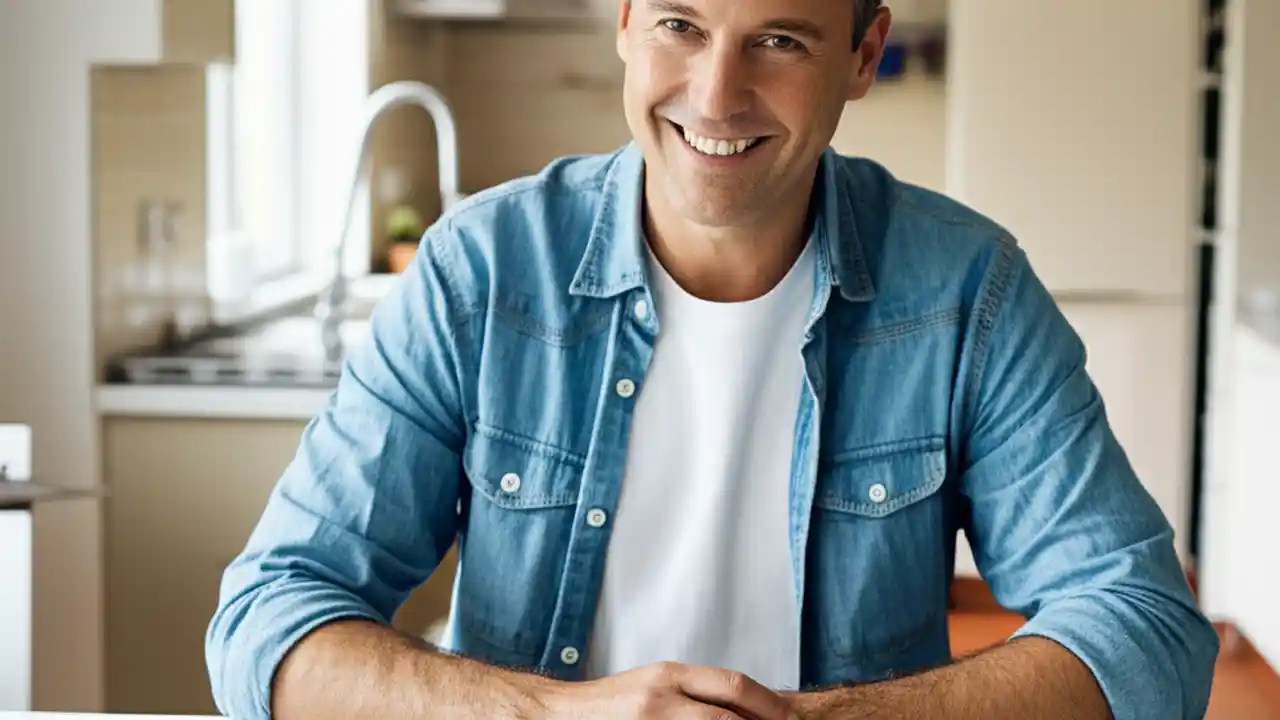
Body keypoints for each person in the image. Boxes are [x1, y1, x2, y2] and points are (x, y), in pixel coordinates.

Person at [206, 0, 1219, 717]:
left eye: (777, 40)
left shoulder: (965, 289)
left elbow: (1144, 629)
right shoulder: (480, 271)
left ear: (863, 55)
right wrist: (555, 717)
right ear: (622, 22)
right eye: (679, 25)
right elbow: (269, 619)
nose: (716, 93)